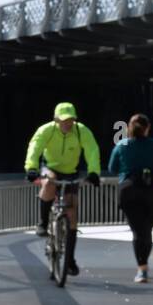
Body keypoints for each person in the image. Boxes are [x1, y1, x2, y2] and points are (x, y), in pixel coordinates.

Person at [25, 102, 101, 276]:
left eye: (71, 120)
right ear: (56, 120)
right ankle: (43, 223)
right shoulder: (46, 130)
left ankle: (69, 259)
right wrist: (31, 168)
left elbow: (92, 150)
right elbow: (34, 148)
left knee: (72, 213)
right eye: (64, 121)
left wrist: (94, 172)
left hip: (70, 172)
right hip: (50, 167)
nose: (68, 124)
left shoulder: (82, 131)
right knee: (49, 182)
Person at [108, 115, 153, 283]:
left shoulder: (122, 145)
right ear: (147, 128)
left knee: (137, 232)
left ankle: (142, 268)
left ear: (129, 127)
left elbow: (112, 167)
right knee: (147, 229)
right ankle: (143, 266)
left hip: (129, 190)